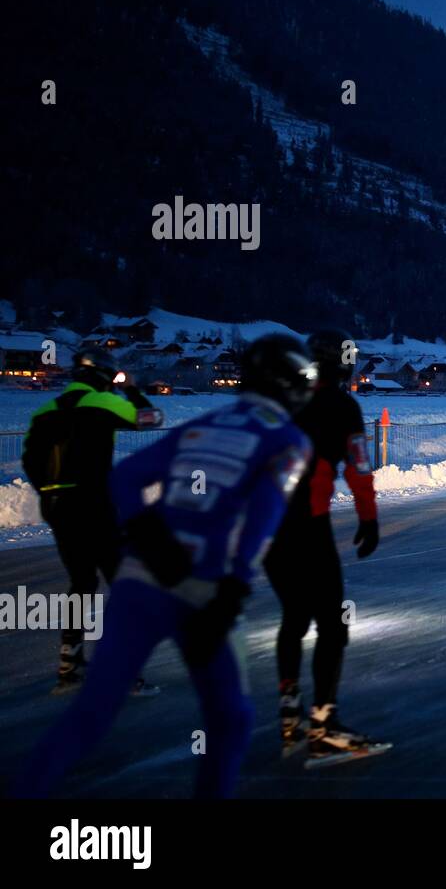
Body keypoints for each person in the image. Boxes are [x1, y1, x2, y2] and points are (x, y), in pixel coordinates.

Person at [12, 335, 316, 798]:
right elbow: (264, 513)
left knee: (90, 710)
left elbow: (126, 477)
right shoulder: (287, 437)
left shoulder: (206, 423)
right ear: (291, 381)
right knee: (230, 719)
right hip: (201, 585)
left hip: (122, 555)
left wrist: (148, 537)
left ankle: (67, 672)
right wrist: (235, 581)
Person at [262, 330, 388, 764]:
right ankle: (323, 725)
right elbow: (358, 467)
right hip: (307, 527)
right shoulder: (340, 405)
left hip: (266, 526)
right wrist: (368, 518)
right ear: (343, 364)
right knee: (332, 626)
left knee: (293, 617)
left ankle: (288, 709)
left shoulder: (277, 400)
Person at [22, 346, 164, 695]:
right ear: (103, 375)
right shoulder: (101, 403)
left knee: (82, 582)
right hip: (93, 502)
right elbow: (151, 418)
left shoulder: (44, 411)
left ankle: (69, 665)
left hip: (57, 505)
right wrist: (130, 388)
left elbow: (29, 460)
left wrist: (50, 491)